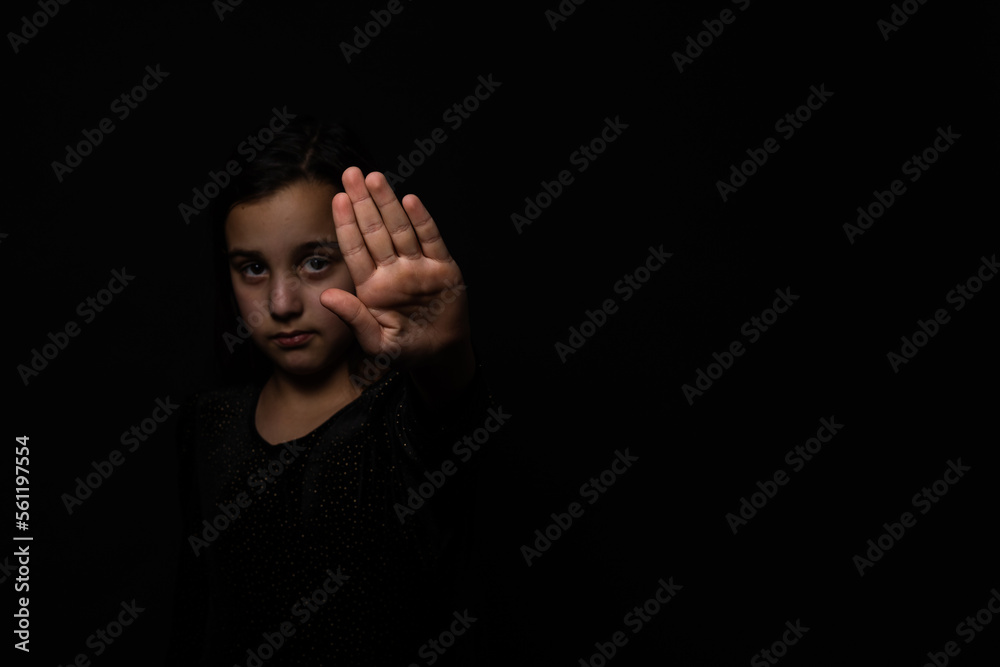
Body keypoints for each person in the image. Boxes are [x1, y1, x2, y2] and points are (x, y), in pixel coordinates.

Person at [166, 116, 493, 665]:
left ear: (363, 251)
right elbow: (196, 614)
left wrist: (445, 355)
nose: (281, 303)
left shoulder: (402, 418)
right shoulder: (208, 421)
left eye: (315, 262)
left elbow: (450, 414)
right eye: (252, 268)